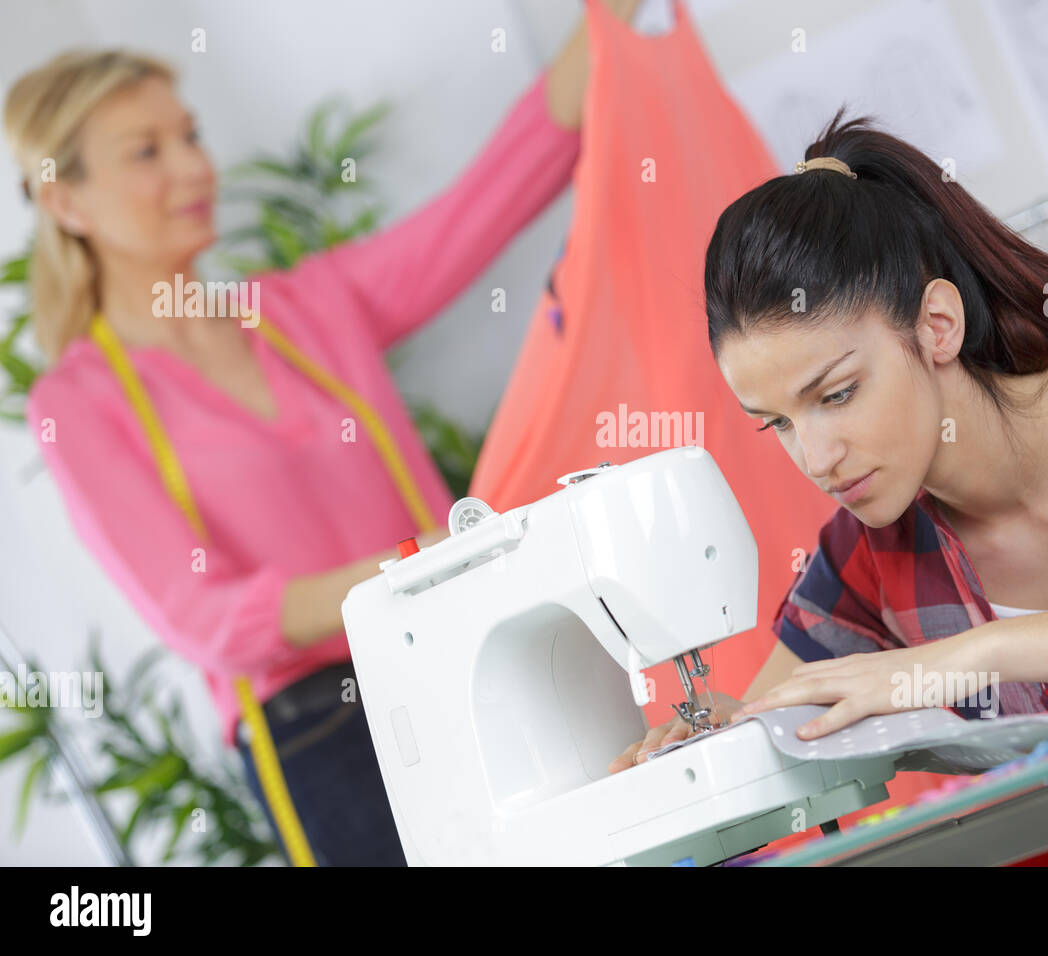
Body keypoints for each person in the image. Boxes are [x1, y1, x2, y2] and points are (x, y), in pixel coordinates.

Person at [7, 0, 642, 866]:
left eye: (190, 136)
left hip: (472, 661)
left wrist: (612, 15)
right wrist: (408, 567)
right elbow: (207, 620)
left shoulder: (305, 310)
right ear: (65, 197)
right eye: (148, 152)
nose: (196, 167)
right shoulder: (78, 403)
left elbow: (493, 193)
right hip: (324, 731)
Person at [612, 110, 1048, 866]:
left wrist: (968, 656)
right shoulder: (865, 556)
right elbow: (772, 723)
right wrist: (702, 748)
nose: (815, 456)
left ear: (937, 324)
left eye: (837, 394)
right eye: (773, 423)